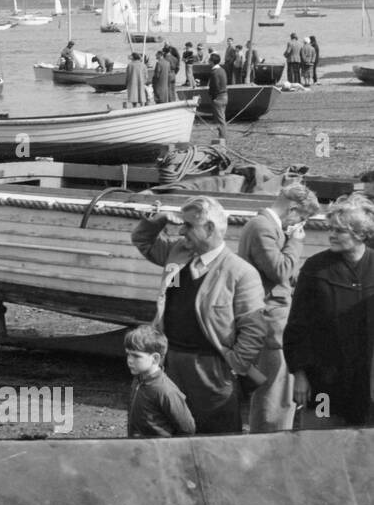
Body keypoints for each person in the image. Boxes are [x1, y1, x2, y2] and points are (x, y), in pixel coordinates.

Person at [132, 195, 270, 433]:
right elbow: (142, 240)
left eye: (189, 226)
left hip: (211, 370)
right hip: (170, 362)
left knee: (215, 437)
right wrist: (160, 220)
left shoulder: (241, 272)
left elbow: (254, 328)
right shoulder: (177, 253)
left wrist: (233, 367)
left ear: (209, 228)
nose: (182, 231)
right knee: (167, 430)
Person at [284, 193, 374, 428]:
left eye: (339, 230)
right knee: (321, 445)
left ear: (361, 233)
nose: (331, 234)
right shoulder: (316, 268)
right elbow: (297, 326)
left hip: (366, 384)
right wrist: (299, 374)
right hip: (324, 384)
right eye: (330, 228)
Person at [238, 184, 322, 432]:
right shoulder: (262, 228)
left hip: (269, 315)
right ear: (293, 208)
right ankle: (269, 443)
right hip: (270, 318)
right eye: (303, 217)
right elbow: (280, 270)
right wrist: (296, 242)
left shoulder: (265, 226)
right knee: (275, 388)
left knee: (276, 386)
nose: (301, 224)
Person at [125, 325, 196, 437]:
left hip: (158, 450)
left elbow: (187, 428)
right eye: (128, 354)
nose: (129, 360)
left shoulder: (165, 390)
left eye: (136, 356)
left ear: (155, 358)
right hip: (137, 447)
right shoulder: (138, 380)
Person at [207, 52, 229, 141]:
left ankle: (222, 139)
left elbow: (215, 86)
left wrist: (212, 96)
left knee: (220, 120)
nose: (208, 61)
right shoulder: (222, 70)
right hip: (225, 96)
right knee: (222, 118)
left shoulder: (214, 72)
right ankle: (222, 137)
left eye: (209, 60)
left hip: (218, 97)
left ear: (212, 61)